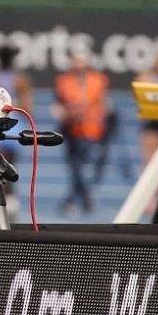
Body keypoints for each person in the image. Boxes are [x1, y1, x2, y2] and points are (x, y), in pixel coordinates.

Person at [54, 50, 109, 215]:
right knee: (75, 165)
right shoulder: (63, 81)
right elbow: (59, 103)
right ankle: (80, 198)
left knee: (79, 165)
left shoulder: (98, 80)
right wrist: (64, 112)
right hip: (70, 128)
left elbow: (103, 103)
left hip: (91, 128)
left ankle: (77, 199)